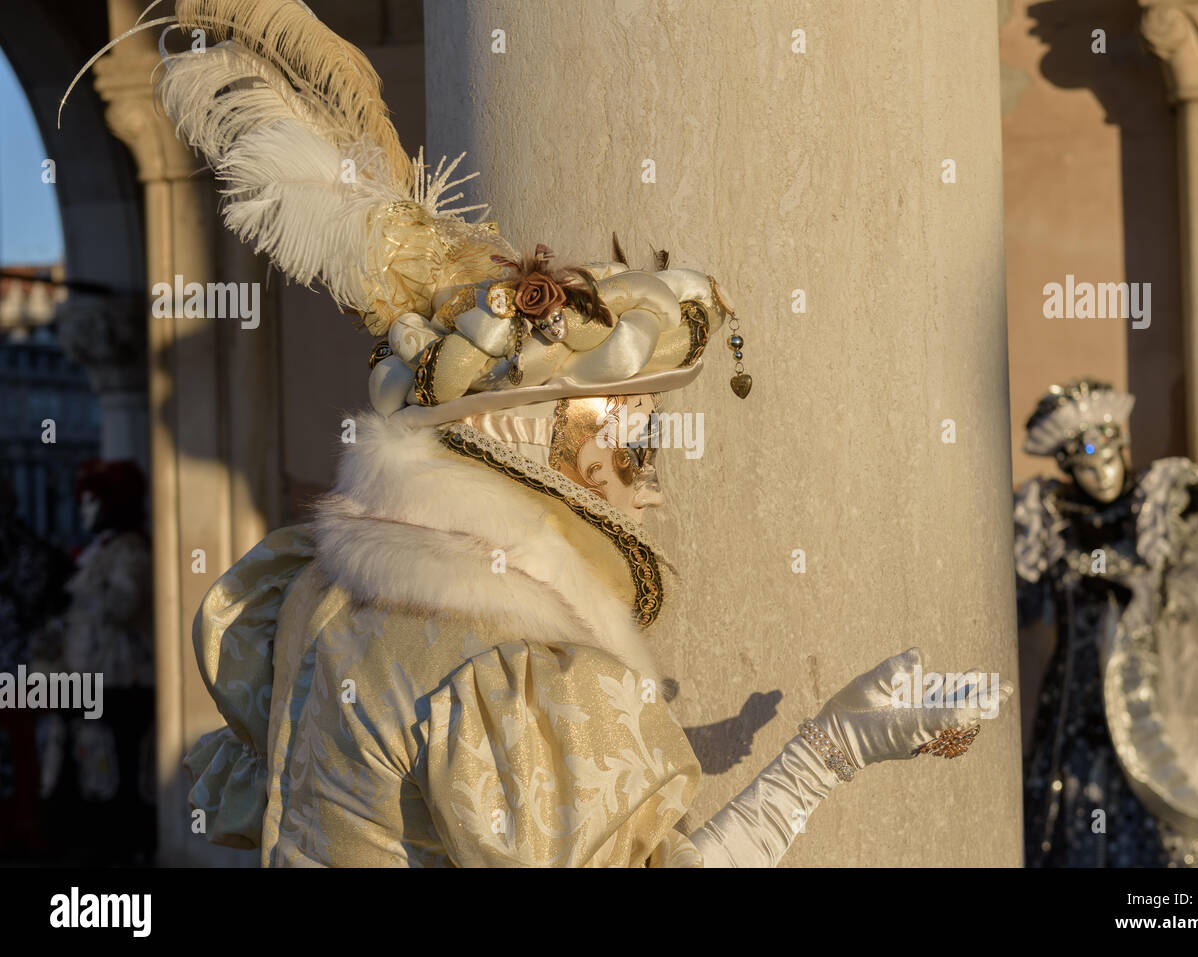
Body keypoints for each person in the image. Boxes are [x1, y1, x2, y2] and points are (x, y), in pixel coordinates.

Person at [84, 0, 1013, 866]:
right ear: (524, 433)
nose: (651, 480)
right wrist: (828, 750)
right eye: (628, 434)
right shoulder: (507, 660)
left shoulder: (332, 594)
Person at [1013, 379, 1198, 867]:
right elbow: (1021, 604)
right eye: (1087, 468)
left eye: (1109, 462)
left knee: (1161, 791)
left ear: (1123, 451)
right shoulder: (1049, 516)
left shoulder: (1161, 504)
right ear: (1069, 470)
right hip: (1075, 701)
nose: (1101, 478)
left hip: (1150, 693)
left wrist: (1149, 592)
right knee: (1073, 802)